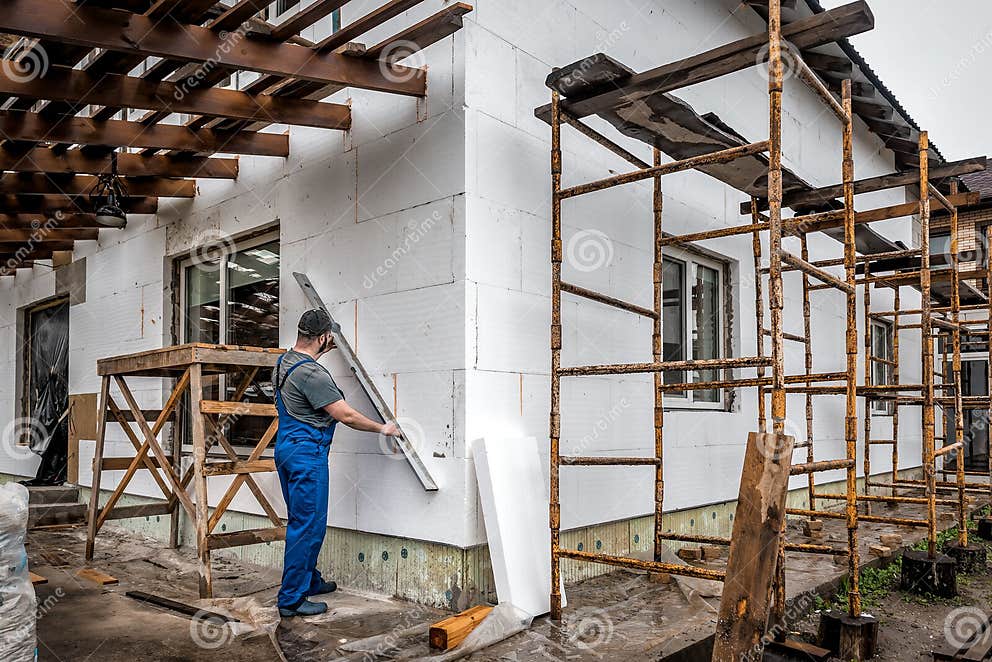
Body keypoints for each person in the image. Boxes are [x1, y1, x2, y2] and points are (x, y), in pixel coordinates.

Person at [273, 309, 399, 617]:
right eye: (328, 337)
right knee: (308, 526)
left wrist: (320, 350)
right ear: (322, 337)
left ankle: (308, 580)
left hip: (287, 450)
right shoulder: (312, 374)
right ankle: (291, 599)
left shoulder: (284, 361)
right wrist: (383, 428)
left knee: (302, 521)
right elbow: (346, 415)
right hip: (307, 456)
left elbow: (303, 386)